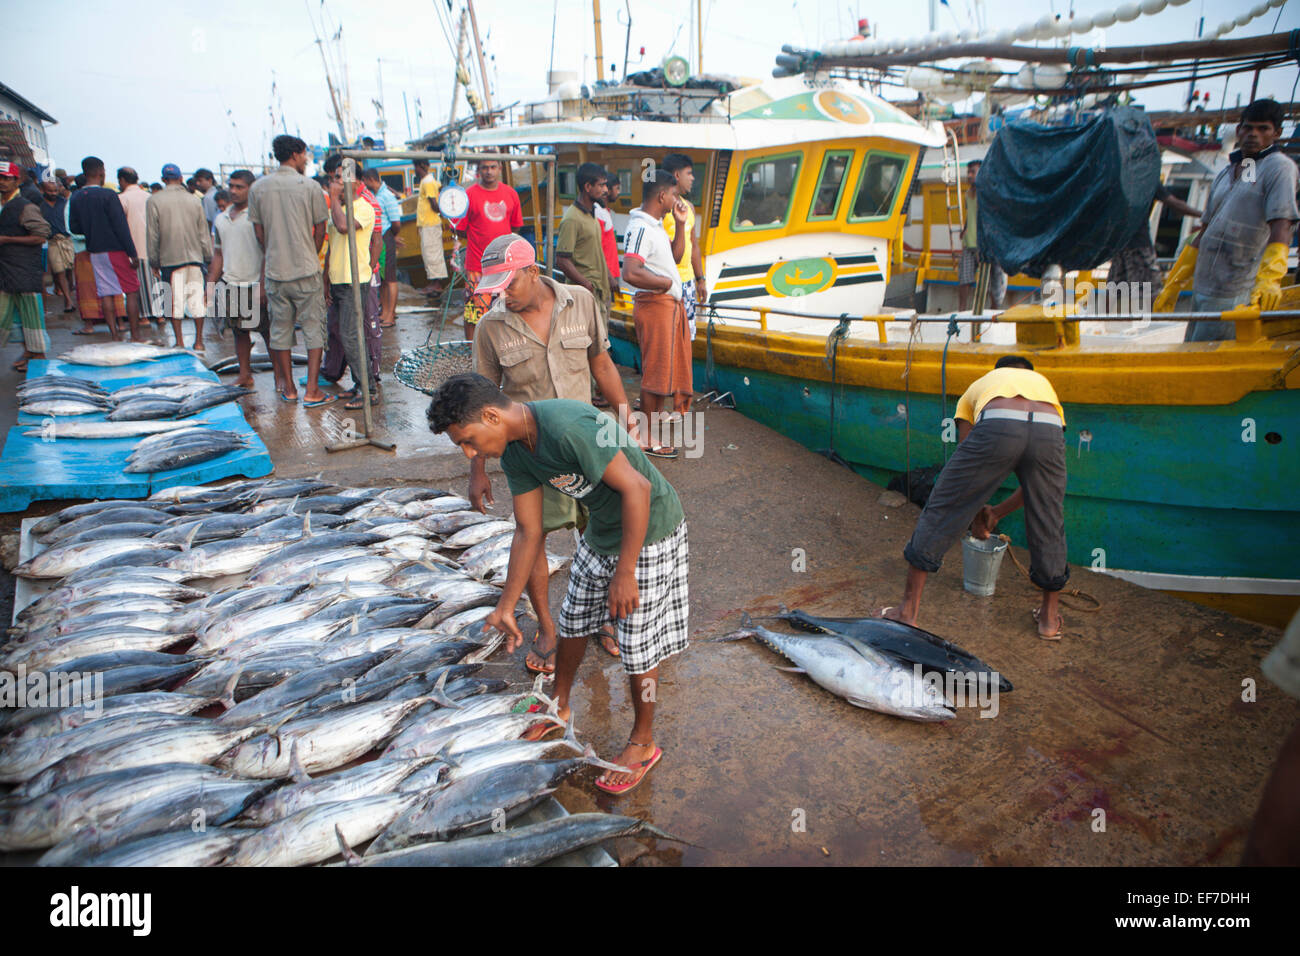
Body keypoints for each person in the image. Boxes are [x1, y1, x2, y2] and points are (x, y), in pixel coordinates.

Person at [427, 373, 688, 794]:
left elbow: (638, 488)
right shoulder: (515, 454)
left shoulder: (569, 427)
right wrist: (506, 606)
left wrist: (625, 572)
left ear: (492, 416)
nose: (468, 453)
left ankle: (642, 742)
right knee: (573, 619)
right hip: (601, 530)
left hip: (649, 528)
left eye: (468, 440)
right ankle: (559, 706)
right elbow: (528, 531)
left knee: (637, 642)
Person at [470, 232, 639, 670]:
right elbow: (481, 404)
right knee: (533, 536)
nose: (502, 294)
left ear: (532, 271)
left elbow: (601, 364)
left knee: (600, 532)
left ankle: (603, 618)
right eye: (495, 286)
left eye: (509, 283)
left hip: (587, 443)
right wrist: (478, 469)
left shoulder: (580, 301)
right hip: (531, 453)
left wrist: (626, 420)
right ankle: (547, 627)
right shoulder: (491, 327)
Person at [882, 355, 1069, 639]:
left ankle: (907, 612)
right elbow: (1034, 489)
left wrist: (978, 512)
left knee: (943, 506)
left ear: (998, 372)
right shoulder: (1044, 387)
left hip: (999, 419)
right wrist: (995, 513)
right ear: (1029, 373)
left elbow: (965, 480)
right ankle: (1049, 621)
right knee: (1049, 517)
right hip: (1049, 424)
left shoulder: (981, 385)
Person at [1155, 99, 1300, 341]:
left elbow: (1281, 226)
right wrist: (1175, 282)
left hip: (1235, 291)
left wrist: (1270, 279)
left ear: (1276, 133)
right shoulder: (1226, 172)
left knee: (1206, 362)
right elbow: (1204, 231)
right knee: (1192, 354)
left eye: (1263, 128)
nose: (1253, 134)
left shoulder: (1279, 168)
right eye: (1248, 127)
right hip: (1203, 287)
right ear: (1238, 130)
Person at [249, 134, 331, 406]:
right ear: (295, 154)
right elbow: (321, 228)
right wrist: (310, 250)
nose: (306, 158)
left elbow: (258, 232)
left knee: (280, 331)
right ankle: (312, 390)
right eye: (305, 153)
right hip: (306, 269)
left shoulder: (258, 188)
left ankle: (290, 388)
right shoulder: (309, 187)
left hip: (275, 271)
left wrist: (274, 250)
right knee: (313, 330)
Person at [622, 170, 691, 457]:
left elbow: (673, 260)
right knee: (656, 375)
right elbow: (631, 271)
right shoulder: (641, 228)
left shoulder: (656, 226)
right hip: (655, 305)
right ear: (662, 195)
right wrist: (664, 284)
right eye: (674, 194)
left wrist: (679, 223)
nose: (677, 199)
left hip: (665, 306)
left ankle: (649, 436)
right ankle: (646, 440)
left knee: (663, 374)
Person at [322, 155, 381, 410]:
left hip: (354, 280)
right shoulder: (338, 208)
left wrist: (334, 197)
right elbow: (333, 245)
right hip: (339, 280)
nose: (334, 183)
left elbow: (344, 227)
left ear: (354, 182)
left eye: (339, 179)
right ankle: (361, 384)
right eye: (332, 179)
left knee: (351, 336)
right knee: (347, 335)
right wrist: (326, 281)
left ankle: (368, 389)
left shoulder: (364, 207)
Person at [209, 169, 271, 389]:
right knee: (239, 332)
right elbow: (218, 253)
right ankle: (245, 374)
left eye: (239, 187)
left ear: (250, 188)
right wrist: (211, 283)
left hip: (255, 282)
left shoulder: (258, 216)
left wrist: (263, 284)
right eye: (231, 186)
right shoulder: (222, 218)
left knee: (268, 333)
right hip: (231, 282)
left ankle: (282, 377)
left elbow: (267, 251)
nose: (233, 191)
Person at [451, 153, 522, 341]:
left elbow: (515, 227)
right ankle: (471, 349)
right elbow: (463, 229)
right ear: (478, 170)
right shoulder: (469, 195)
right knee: (473, 313)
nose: (488, 171)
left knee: (506, 311)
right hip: (476, 266)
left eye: (492, 167)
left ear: (499, 168)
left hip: (504, 266)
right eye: (484, 167)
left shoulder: (511, 194)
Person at [68, 155, 140, 340]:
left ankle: (114, 335)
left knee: (106, 292)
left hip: (94, 250)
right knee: (131, 290)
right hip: (116, 248)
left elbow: (74, 227)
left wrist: (92, 228)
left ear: (84, 173)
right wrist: (132, 252)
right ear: (101, 172)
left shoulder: (76, 197)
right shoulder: (108, 195)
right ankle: (135, 336)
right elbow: (120, 226)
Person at [147, 163, 212, 351]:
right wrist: (207, 256)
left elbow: (153, 235)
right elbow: (203, 232)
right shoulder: (193, 200)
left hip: (170, 259)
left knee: (174, 302)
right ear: (181, 178)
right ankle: (199, 341)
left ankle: (180, 342)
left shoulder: (154, 201)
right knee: (197, 300)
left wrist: (154, 261)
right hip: (195, 257)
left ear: (163, 180)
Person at [0, 160, 52, 372]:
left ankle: (38, 354)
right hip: (6, 268)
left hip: (23, 267)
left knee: (30, 311)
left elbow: (41, 235)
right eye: (0, 178)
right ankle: (29, 351)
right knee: (11, 313)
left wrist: (7, 240)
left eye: (7, 179)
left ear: (17, 180)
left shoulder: (25, 206)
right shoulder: (4, 205)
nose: (2, 182)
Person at [557, 162, 615, 332]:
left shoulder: (591, 215)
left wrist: (609, 277)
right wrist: (586, 284)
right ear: (588, 187)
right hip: (586, 294)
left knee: (602, 341)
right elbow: (562, 259)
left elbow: (594, 250)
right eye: (601, 185)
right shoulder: (572, 219)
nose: (605, 190)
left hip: (600, 291)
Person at [1107, 183, 1200, 289]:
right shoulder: (1147, 178)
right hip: (1139, 245)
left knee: (1115, 290)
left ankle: (1104, 306)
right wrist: (1204, 215)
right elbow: (1176, 205)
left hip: (1120, 245)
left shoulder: (1123, 176)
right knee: (1151, 290)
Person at [661, 153, 707, 339]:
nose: (693, 178)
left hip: (687, 283)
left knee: (686, 338)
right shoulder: (662, 208)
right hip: (668, 283)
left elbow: (693, 245)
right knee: (670, 337)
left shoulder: (688, 207)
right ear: (677, 175)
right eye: (689, 173)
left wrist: (700, 279)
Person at [117, 166, 163, 342]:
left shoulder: (122, 198)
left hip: (134, 248)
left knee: (139, 285)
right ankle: (160, 315)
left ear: (122, 180)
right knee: (156, 281)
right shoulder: (150, 197)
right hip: (154, 246)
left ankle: (144, 316)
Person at [957, 160, 1006, 311]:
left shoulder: (987, 194)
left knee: (993, 282)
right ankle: (962, 311)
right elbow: (970, 214)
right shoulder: (967, 194)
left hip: (985, 245)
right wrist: (965, 228)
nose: (970, 175)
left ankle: (993, 312)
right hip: (969, 243)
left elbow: (990, 219)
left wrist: (983, 244)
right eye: (969, 172)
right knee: (964, 280)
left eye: (973, 172)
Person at [361, 166, 402, 328]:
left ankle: (390, 314)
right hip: (382, 238)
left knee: (390, 279)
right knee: (383, 279)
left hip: (386, 237)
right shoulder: (376, 195)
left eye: (365, 181)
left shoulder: (386, 196)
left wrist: (392, 236)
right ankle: (385, 312)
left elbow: (396, 223)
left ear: (371, 180)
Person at [39, 174, 76, 314]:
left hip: (67, 241)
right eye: (50, 191)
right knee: (59, 270)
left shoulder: (64, 202)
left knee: (68, 270)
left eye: (55, 190)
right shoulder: (39, 205)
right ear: (43, 190)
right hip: (52, 242)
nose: (53, 194)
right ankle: (68, 300)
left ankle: (70, 296)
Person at [413, 158, 448, 301]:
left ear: (418, 167)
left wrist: (443, 212)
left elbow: (434, 204)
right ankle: (434, 282)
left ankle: (436, 283)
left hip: (430, 223)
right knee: (430, 253)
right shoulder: (430, 181)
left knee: (432, 253)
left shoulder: (427, 182)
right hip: (426, 223)